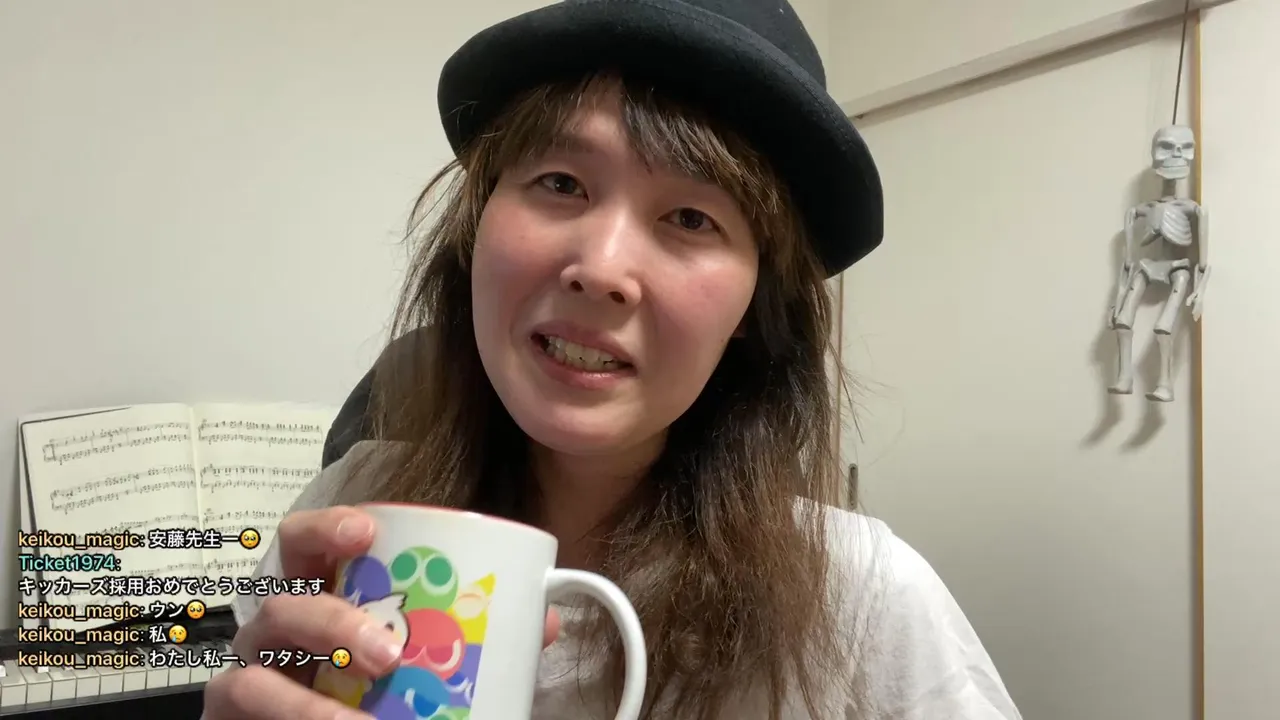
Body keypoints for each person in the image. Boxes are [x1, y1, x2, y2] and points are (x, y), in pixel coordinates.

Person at [204, 1, 1023, 718]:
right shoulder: (348, 512)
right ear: (477, 226)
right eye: (561, 182)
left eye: (692, 219)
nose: (600, 268)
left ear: (754, 309)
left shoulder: (864, 603)